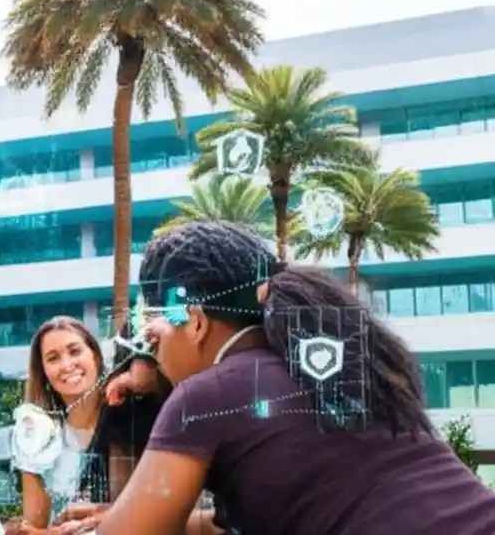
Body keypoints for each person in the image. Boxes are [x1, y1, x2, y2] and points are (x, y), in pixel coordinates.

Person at [91, 220, 495, 535]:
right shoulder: (327, 365)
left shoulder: (208, 394)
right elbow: (309, 503)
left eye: (155, 328)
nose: (152, 347)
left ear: (195, 323)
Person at [4, 316, 170, 534]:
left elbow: (149, 510)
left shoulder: (129, 418)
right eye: (53, 358)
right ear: (43, 371)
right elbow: (35, 525)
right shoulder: (37, 433)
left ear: (95, 355)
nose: (67, 365)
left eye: (75, 351)